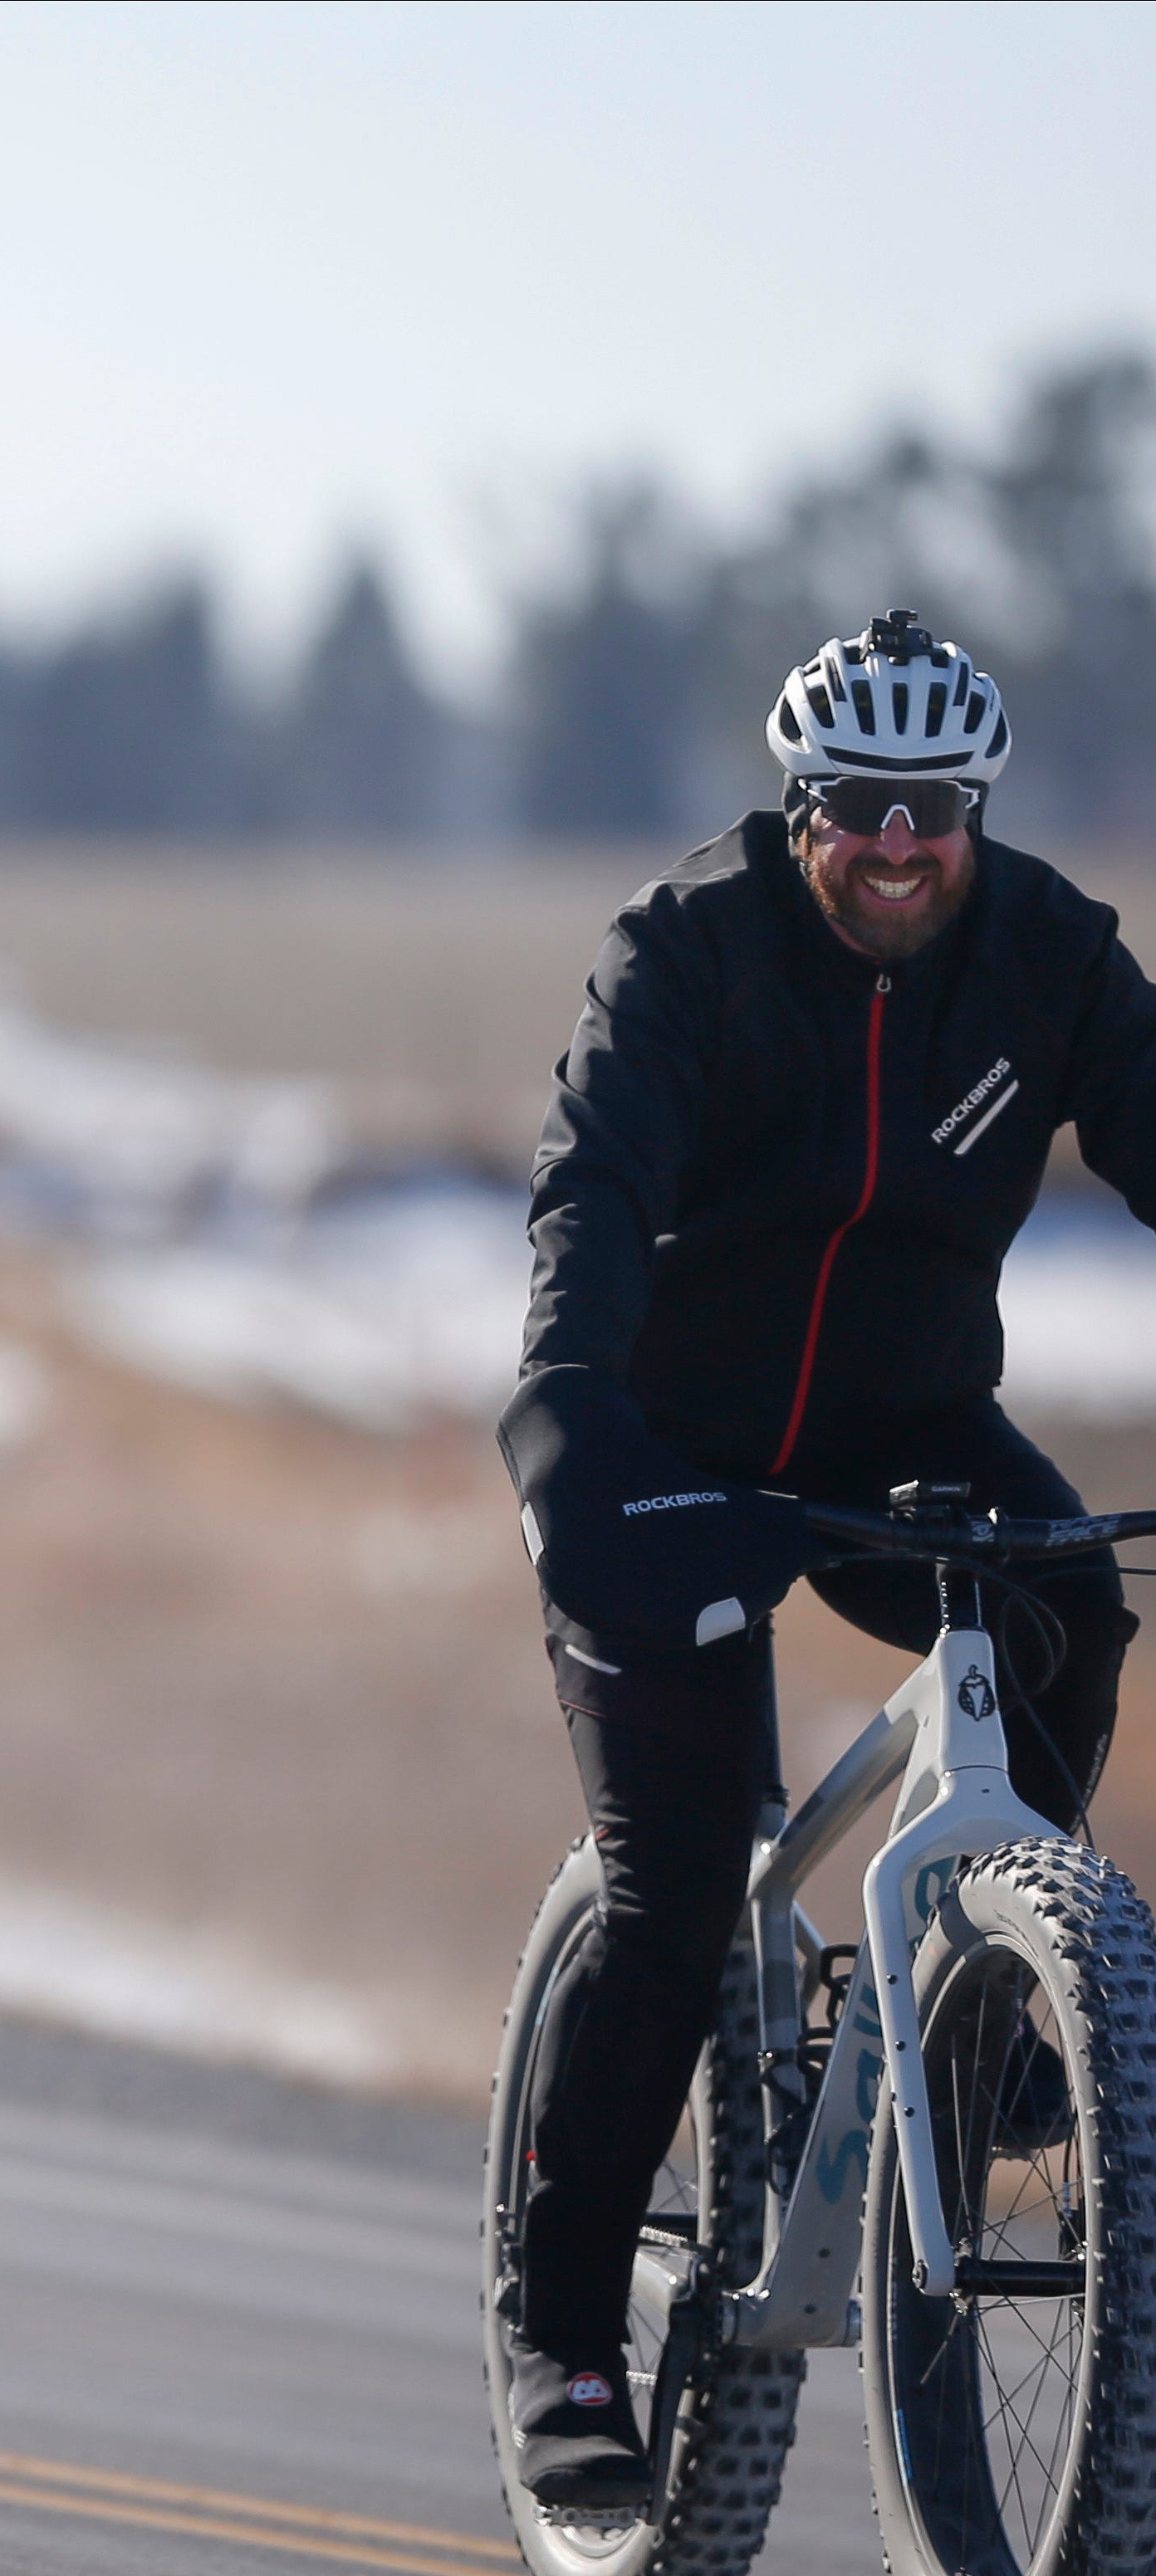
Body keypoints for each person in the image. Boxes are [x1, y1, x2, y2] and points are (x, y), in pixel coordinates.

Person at [499, 609, 1156, 2506]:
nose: (897, 842)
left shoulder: (1046, 956)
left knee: (1066, 1599)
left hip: (902, 1433)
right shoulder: (683, 956)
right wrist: (568, 1422)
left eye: (933, 808)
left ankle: (990, 2002)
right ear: (801, 810)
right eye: (858, 805)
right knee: (682, 1880)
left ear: (976, 811)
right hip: (663, 1451)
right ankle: (560, 2332)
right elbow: (593, 1198)